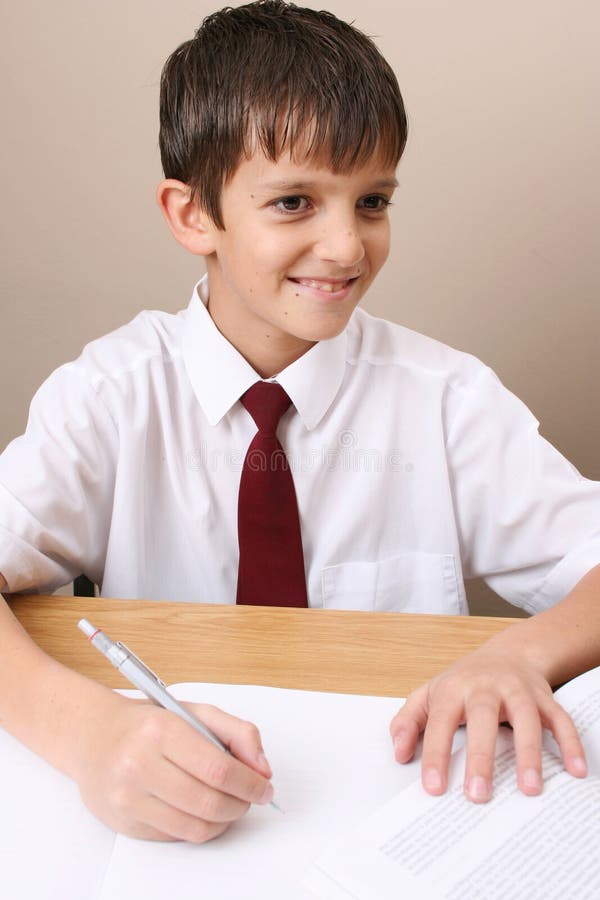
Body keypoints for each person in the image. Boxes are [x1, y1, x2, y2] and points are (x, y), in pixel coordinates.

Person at [0, 0, 599, 843]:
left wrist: (521, 651)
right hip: (172, 824)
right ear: (192, 215)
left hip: (390, 815)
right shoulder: (110, 396)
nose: (348, 248)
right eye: (293, 203)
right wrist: (85, 731)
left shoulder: (446, 398)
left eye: (373, 201)